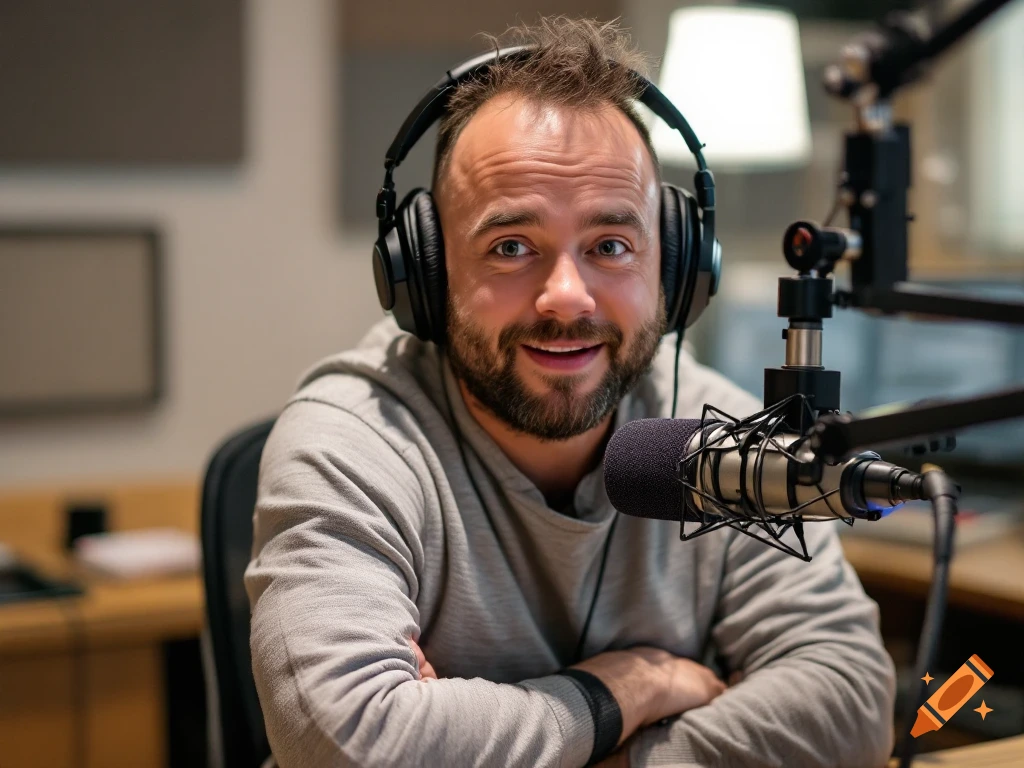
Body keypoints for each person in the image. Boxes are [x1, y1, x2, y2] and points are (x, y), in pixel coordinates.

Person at [245, 17, 895, 768]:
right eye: (511, 247)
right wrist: (622, 692)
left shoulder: (724, 434)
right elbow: (343, 742)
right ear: (424, 275)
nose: (567, 297)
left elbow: (851, 701)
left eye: (610, 246)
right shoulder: (348, 440)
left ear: (676, 269)